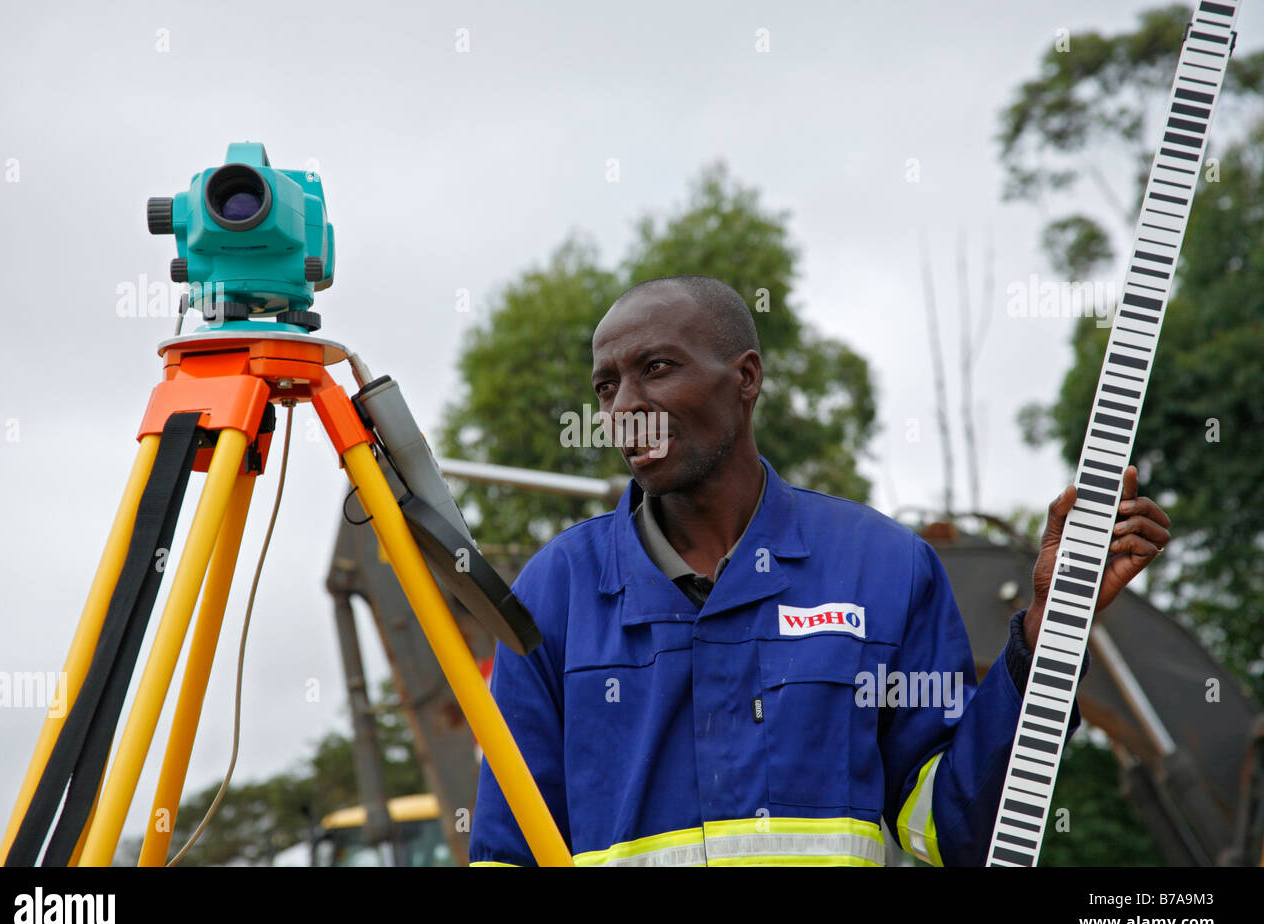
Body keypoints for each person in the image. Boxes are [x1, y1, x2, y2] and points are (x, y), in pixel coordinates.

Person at [468, 275, 1171, 867]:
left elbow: (959, 830)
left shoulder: (885, 569)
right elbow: (508, 850)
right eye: (605, 387)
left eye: (655, 368)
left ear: (746, 378)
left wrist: (1047, 640)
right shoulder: (555, 593)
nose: (624, 410)